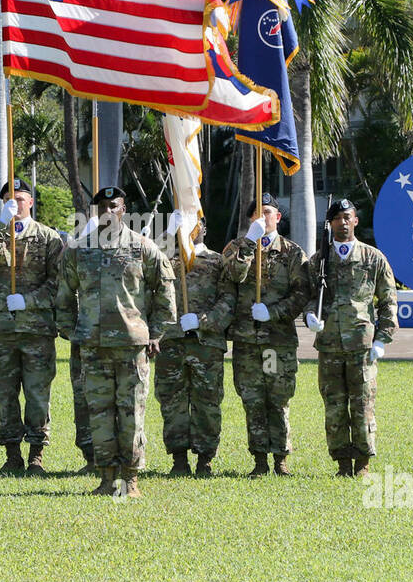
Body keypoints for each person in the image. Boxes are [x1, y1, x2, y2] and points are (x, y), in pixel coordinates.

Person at [57, 186, 176, 499]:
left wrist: (156, 332)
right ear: (95, 212)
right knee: (99, 413)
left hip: (130, 346)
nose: (108, 212)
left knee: (131, 414)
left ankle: (130, 479)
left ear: (124, 210)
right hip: (93, 347)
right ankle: (106, 477)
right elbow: (63, 296)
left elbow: (166, 289)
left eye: (114, 206)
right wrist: (72, 331)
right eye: (103, 207)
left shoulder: (142, 248)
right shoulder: (78, 249)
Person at [0, 178, 64, 475]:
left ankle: (36, 455)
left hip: (36, 331)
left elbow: (58, 285)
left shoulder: (49, 238)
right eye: (9, 199)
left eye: (21, 198)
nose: (16, 203)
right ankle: (12, 455)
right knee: (5, 395)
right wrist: (2, 225)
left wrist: (28, 300)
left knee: (38, 395)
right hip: (1, 330)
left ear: (31, 202)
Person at [306, 198, 398, 478]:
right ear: (330, 224)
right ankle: (342, 463)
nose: (342, 222)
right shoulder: (318, 260)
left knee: (362, 405)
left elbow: (388, 300)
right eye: (337, 218)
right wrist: (310, 315)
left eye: (347, 217)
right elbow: (308, 295)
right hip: (330, 344)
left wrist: (383, 338)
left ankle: (363, 463)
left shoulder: (373, 258)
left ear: (355, 220)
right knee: (334, 406)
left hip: (362, 345)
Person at [222, 193, 311, 477]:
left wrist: (273, 313)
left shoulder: (292, 252)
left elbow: (302, 294)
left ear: (278, 217)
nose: (263, 216)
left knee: (277, 396)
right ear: (251, 219)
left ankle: (280, 459)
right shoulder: (236, 248)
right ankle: (259, 459)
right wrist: (249, 243)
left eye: (268, 211)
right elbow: (232, 277)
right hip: (247, 341)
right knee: (252, 399)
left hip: (276, 341)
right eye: (257, 213)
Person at [154, 215, 237, 477]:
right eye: (182, 224)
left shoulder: (217, 261)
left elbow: (228, 300)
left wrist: (203, 321)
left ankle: (205, 460)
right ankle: (178, 460)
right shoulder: (165, 260)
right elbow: (148, 285)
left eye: (194, 223)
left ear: (203, 227)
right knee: (172, 402)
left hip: (206, 343)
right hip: (171, 341)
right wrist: (166, 241)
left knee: (208, 403)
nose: (189, 229)